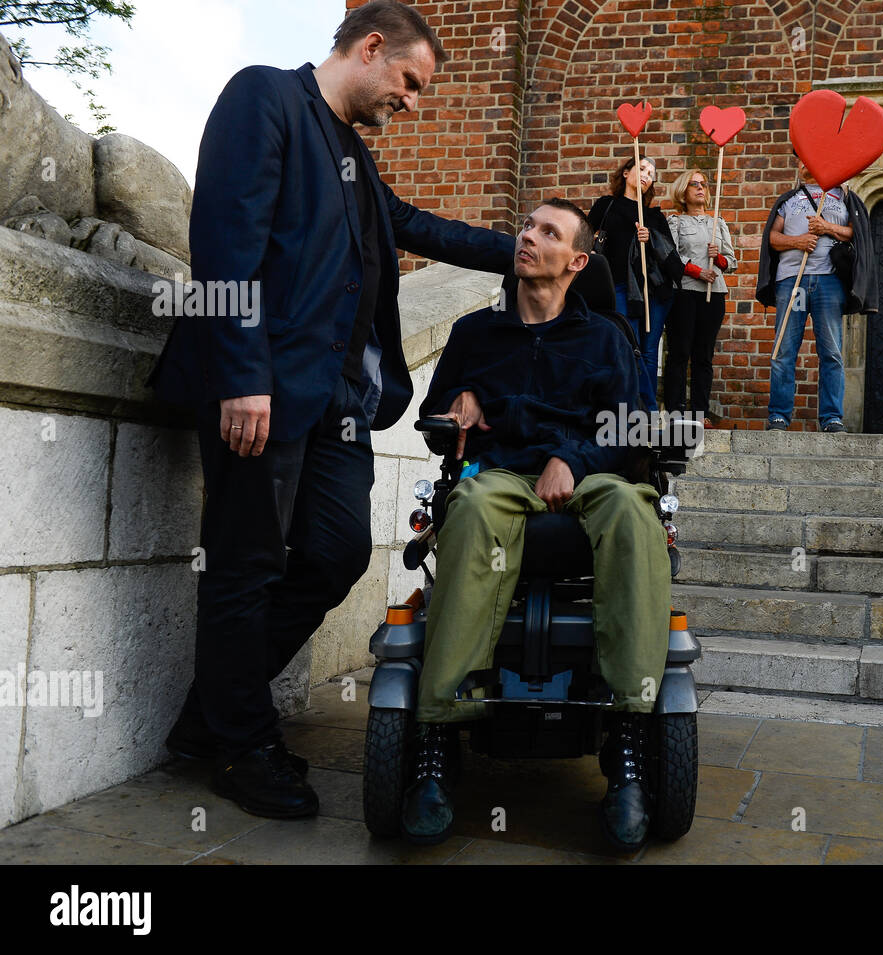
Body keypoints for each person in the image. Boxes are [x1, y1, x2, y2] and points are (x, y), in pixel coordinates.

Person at [147, 0, 515, 819]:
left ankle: (212, 713)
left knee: (337, 550)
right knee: (244, 566)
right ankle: (242, 746)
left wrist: (521, 248)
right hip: (260, 392)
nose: (413, 104)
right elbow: (226, 240)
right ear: (372, 47)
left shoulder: (354, 153)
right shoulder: (263, 99)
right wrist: (243, 373)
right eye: (411, 83)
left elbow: (413, 225)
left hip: (339, 406)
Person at [402, 198, 671, 851]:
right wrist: (454, 408)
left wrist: (571, 459)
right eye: (526, 226)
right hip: (500, 478)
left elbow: (631, 430)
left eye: (548, 232)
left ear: (577, 261)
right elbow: (438, 427)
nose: (528, 237)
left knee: (634, 510)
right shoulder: (473, 334)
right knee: (468, 506)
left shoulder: (608, 338)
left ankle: (629, 739)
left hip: (591, 480)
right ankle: (439, 736)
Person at [756, 153, 877, 433]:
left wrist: (827, 228)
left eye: (811, 158)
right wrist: (797, 241)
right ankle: (778, 416)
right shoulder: (788, 200)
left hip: (828, 283)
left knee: (831, 351)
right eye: (801, 160)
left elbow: (856, 233)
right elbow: (773, 238)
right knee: (784, 350)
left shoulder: (843, 198)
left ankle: (832, 417)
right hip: (792, 282)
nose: (804, 163)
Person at [588, 156, 684, 411]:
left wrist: (649, 237)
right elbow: (585, 240)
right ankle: (632, 405)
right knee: (629, 345)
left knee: (649, 351)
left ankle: (649, 409)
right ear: (627, 173)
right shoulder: (606, 206)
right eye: (641, 169)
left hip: (653, 291)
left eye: (651, 173)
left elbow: (671, 257)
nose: (646, 175)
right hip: (619, 286)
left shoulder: (653, 215)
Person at [665, 169, 736, 423]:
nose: (700, 188)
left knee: (703, 355)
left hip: (714, 294)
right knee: (679, 352)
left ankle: (699, 413)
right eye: (693, 184)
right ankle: (674, 412)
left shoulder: (718, 223)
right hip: (684, 292)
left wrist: (717, 257)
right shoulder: (675, 222)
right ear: (683, 192)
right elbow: (671, 257)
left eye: (703, 184)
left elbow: (733, 262)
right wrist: (697, 271)